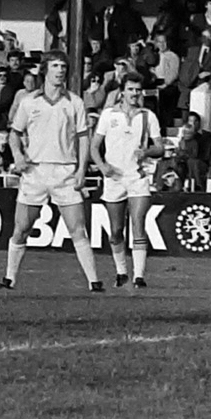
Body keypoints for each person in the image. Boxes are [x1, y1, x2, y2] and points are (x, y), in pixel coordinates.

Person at [0, 52, 104, 293]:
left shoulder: (74, 102)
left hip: (64, 171)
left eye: (63, 66)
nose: (60, 70)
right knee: (21, 227)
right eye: (55, 66)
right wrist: (17, 156)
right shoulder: (29, 102)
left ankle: (94, 282)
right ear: (45, 70)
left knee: (77, 228)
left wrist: (81, 169)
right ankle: (9, 279)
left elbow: (83, 138)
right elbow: (15, 133)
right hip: (35, 171)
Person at [91, 72, 165, 289]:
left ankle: (139, 276)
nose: (134, 94)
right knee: (115, 230)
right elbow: (95, 147)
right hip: (114, 178)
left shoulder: (147, 116)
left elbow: (160, 147)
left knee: (138, 224)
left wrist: (148, 151)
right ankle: (121, 272)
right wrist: (103, 167)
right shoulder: (108, 115)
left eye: (138, 90)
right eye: (131, 89)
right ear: (122, 91)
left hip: (137, 177)